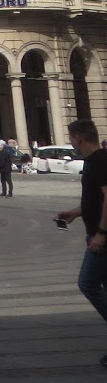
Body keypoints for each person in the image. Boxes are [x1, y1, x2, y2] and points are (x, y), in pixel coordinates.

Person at [54, 119, 107, 364]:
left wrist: (101, 233)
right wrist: (76, 212)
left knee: (87, 283)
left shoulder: (99, 161)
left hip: (102, 237)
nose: (72, 143)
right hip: (97, 231)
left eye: (72, 138)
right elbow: (96, 200)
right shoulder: (96, 161)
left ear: (79, 138)